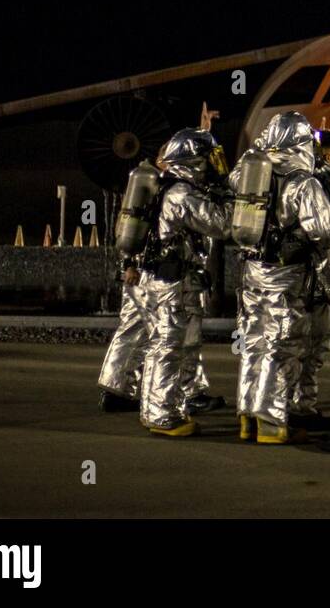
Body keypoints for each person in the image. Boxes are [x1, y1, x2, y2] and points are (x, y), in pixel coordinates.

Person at [231, 112, 330, 444]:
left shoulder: (251, 176)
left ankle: (248, 417)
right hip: (285, 275)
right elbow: (323, 229)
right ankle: (272, 422)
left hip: (252, 271)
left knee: (253, 344)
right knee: (282, 346)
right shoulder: (302, 182)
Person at [134, 127, 232, 437]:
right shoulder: (182, 194)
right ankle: (164, 416)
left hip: (162, 277)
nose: (214, 164)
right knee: (169, 347)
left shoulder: (170, 187)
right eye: (209, 158)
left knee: (160, 345)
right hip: (171, 280)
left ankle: (154, 409)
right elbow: (222, 225)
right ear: (193, 160)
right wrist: (228, 193)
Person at [288, 128, 330, 432]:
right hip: (314, 280)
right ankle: (300, 406)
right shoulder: (315, 186)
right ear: (326, 155)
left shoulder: (295, 182)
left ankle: (290, 405)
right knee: (313, 344)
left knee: (301, 345)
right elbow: (325, 235)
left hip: (300, 278)